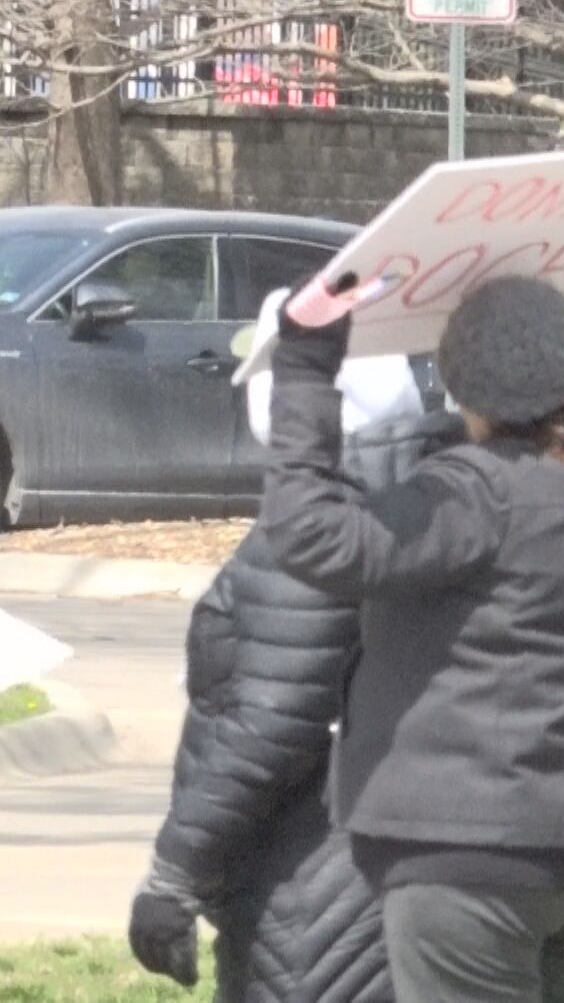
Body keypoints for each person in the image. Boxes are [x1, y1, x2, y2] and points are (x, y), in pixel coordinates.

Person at [256, 267, 564, 1003]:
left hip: (471, 861)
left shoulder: (475, 494)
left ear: (466, 392)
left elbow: (310, 533)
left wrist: (306, 363)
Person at [129, 337, 459, 1001]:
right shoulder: (437, 493)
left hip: (312, 884)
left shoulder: (322, 523)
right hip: (393, 870)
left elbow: (271, 726)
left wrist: (176, 872)